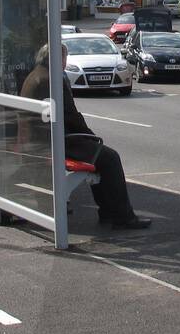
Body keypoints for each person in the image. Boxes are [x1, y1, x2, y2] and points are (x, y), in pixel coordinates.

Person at [22, 43, 150, 229]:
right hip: (61, 142)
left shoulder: (34, 76)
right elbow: (71, 116)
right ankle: (123, 216)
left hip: (43, 140)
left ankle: (107, 211)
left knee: (99, 155)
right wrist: (89, 135)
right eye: (64, 58)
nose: (65, 62)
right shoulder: (52, 80)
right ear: (57, 58)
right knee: (110, 158)